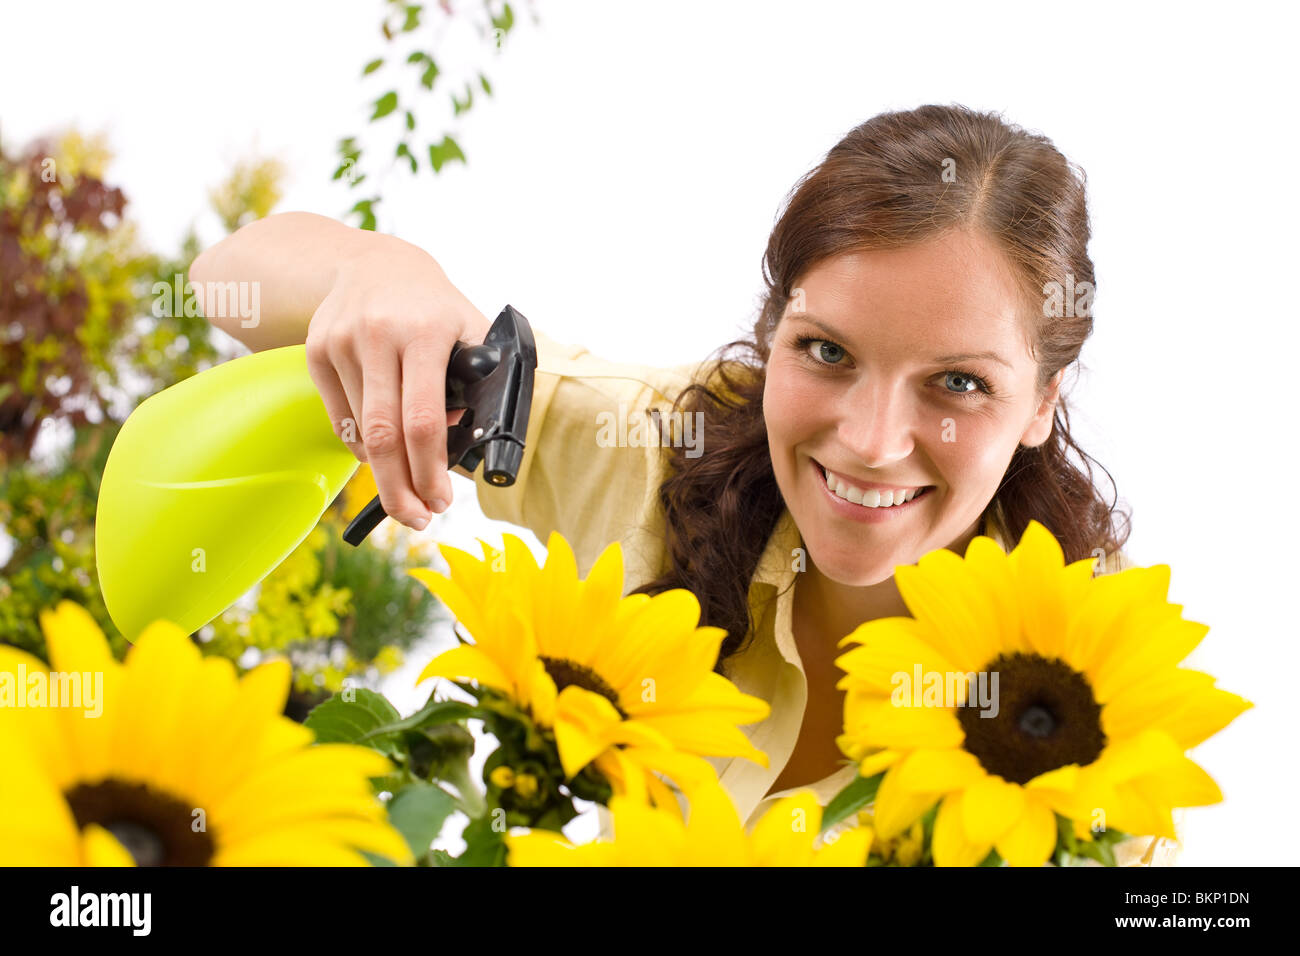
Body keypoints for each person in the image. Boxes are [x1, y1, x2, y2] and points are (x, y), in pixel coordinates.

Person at [190, 103, 1178, 865]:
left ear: (1044, 399)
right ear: (770, 332)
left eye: (958, 382)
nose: (873, 441)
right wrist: (381, 271)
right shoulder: (660, 454)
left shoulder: (1097, 736)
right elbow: (228, 275)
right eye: (826, 350)